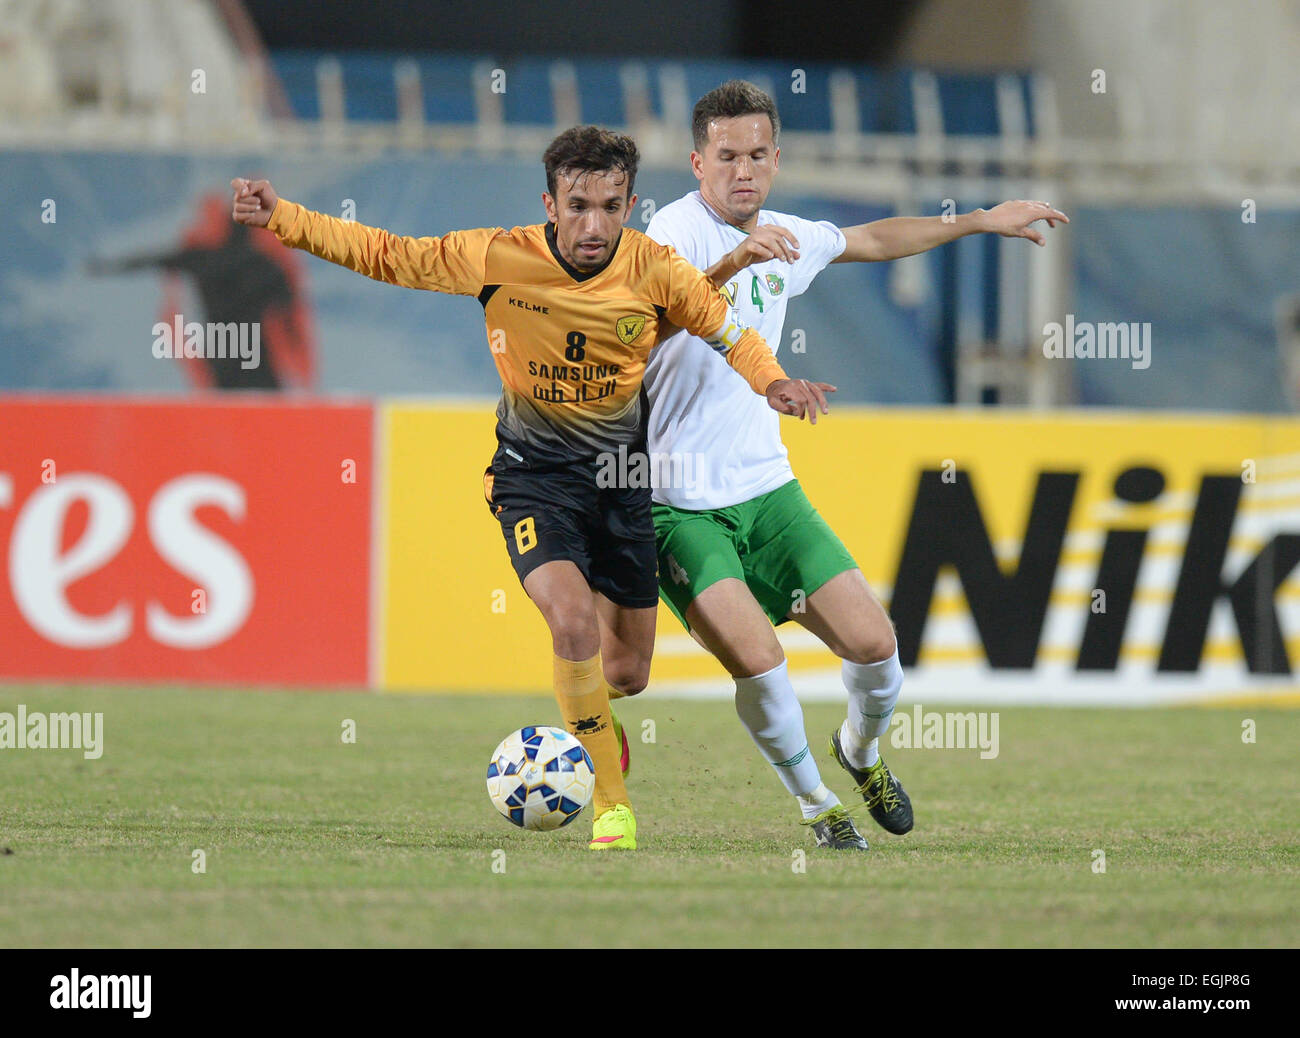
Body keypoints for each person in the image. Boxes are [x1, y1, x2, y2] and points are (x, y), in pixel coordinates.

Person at [230, 125, 831, 850]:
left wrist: (774, 383)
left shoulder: (656, 269)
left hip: (622, 483)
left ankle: (586, 730)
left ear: (631, 203)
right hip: (533, 481)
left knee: (628, 673)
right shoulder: (498, 257)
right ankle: (612, 805)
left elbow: (731, 334)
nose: (593, 224)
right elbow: (387, 255)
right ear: (549, 202)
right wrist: (283, 216)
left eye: (610, 206)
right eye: (577, 205)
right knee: (571, 623)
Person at [641, 81, 1068, 849]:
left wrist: (976, 221)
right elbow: (649, 332)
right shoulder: (669, 237)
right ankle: (816, 807)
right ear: (697, 159)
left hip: (767, 490)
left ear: (777, 158)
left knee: (875, 647)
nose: (744, 170)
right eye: (727, 155)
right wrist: (737, 259)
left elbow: (869, 239)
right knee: (761, 661)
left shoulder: (781, 232)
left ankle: (860, 755)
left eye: (758, 155)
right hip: (674, 502)